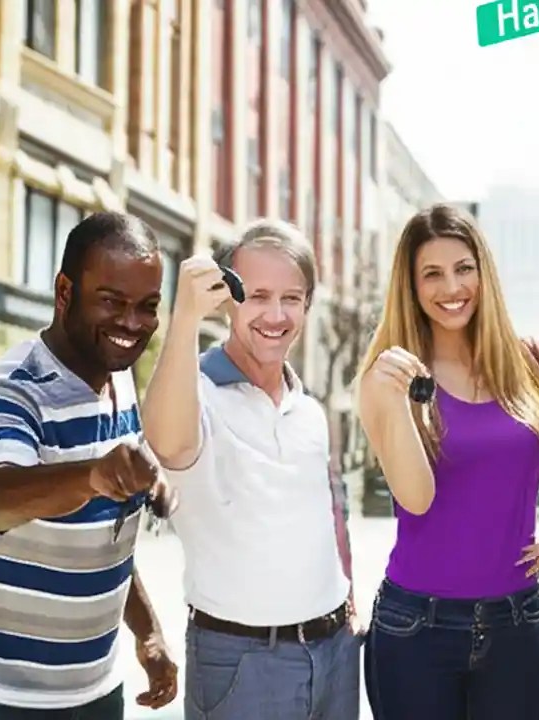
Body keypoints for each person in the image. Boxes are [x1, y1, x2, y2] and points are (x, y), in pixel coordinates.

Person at [0, 212, 178, 718]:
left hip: (96, 693)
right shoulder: (7, 388)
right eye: (111, 301)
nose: (132, 323)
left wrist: (149, 633)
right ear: (64, 291)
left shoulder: (119, 383)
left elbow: (104, 542)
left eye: (148, 306)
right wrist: (94, 475)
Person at [141, 219, 360, 720]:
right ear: (228, 296)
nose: (277, 314)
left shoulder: (308, 409)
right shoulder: (195, 391)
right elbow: (167, 440)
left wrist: (349, 600)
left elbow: (331, 514)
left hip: (335, 654)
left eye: (293, 298)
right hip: (243, 663)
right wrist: (185, 317)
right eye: (257, 295)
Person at [355, 204, 539, 720]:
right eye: (432, 273)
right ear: (412, 285)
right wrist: (400, 401)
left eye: (463, 268)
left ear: (483, 272)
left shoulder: (531, 364)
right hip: (415, 629)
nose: (451, 286)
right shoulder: (389, 377)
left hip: (517, 622)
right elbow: (416, 497)